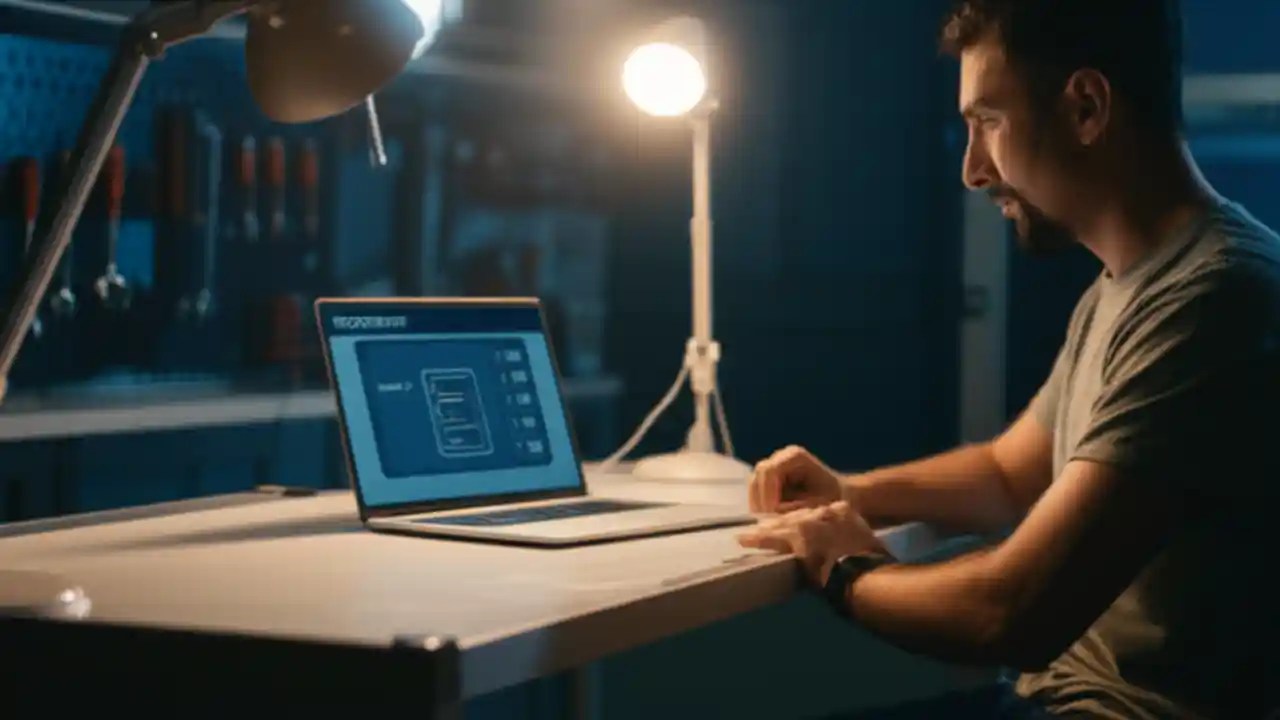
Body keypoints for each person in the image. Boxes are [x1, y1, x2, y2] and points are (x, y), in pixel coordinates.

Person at [738, 1, 1280, 718]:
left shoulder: (1214, 300)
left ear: (1086, 108)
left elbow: (1011, 613)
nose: (971, 170)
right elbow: (1008, 472)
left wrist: (842, 564)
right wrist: (850, 493)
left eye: (987, 121)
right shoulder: (1128, 288)